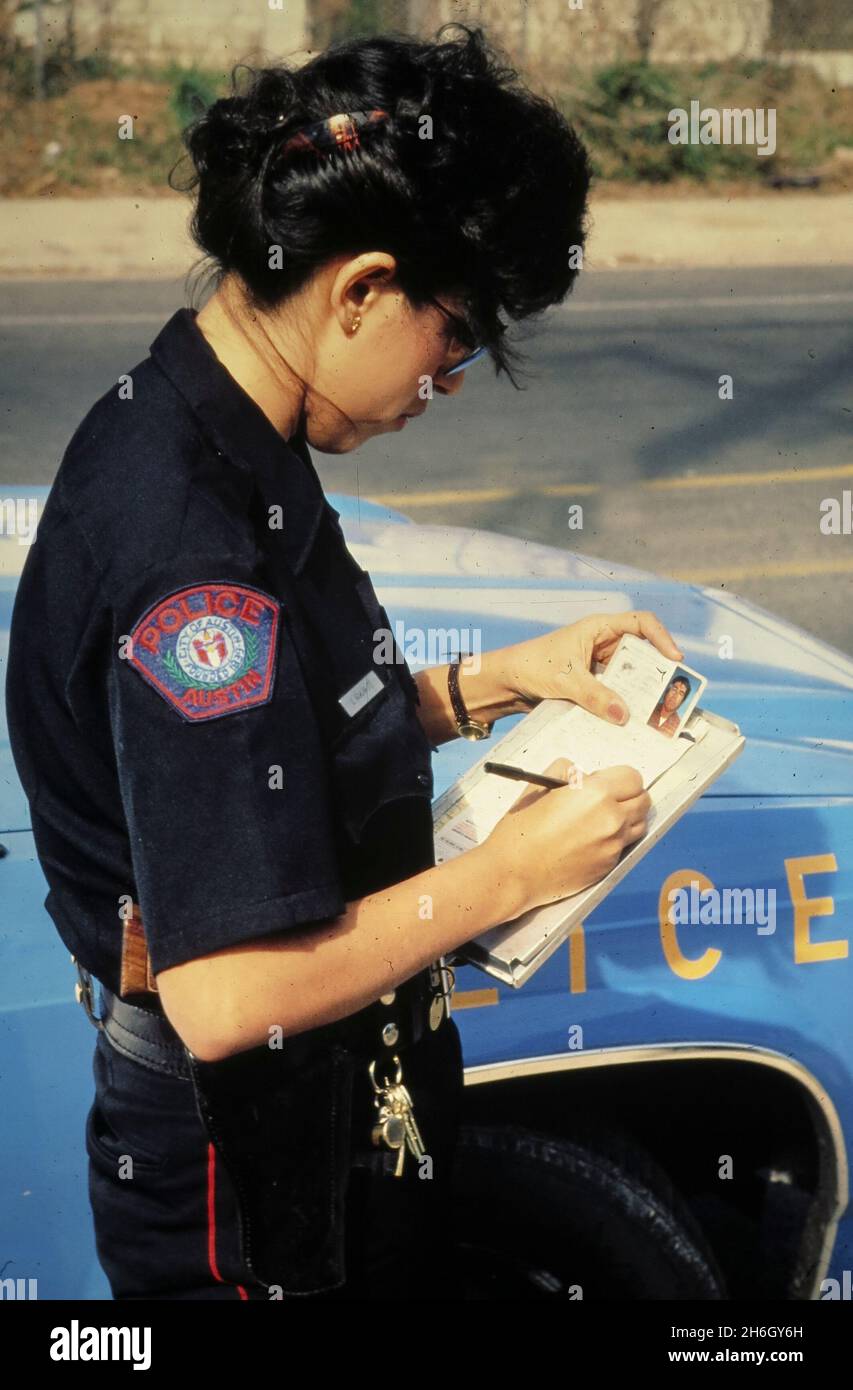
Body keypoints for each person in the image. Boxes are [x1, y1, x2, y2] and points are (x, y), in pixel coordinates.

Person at [5, 24, 683, 1300]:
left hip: (317, 1097)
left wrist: (490, 683)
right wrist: (505, 877)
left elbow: (273, 760)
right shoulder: (193, 561)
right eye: (458, 337)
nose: (451, 381)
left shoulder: (215, 416)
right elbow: (225, 992)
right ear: (361, 288)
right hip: (246, 1157)